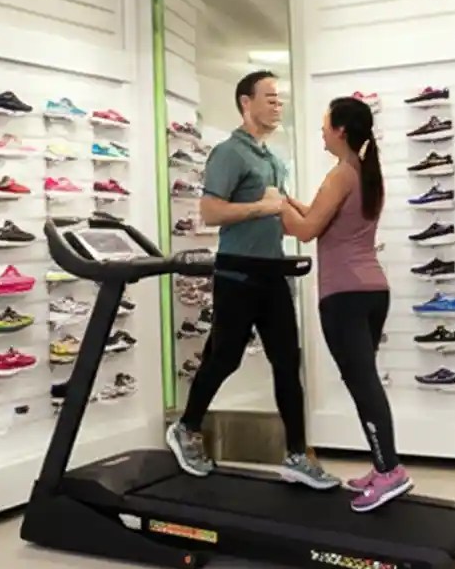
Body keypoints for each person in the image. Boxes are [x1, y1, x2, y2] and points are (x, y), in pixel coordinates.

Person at [165, 70, 340, 490]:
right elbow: (210, 213)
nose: (278, 104)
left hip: (271, 271)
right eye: (270, 97)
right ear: (247, 102)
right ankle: (186, 428)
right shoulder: (229, 153)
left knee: (286, 361)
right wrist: (260, 210)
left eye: (279, 98)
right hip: (236, 271)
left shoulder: (273, 158)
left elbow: (278, 214)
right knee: (224, 359)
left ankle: (297, 454)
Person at [279, 95, 411, 513]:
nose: (321, 130)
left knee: (363, 383)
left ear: (340, 130)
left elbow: (306, 230)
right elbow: (323, 218)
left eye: (324, 124)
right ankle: (381, 465)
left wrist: (273, 206)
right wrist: (291, 202)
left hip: (344, 296)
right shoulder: (364, 172)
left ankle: (391, 471)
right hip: (372, 291)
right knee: (363, 380)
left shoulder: (340, 175)